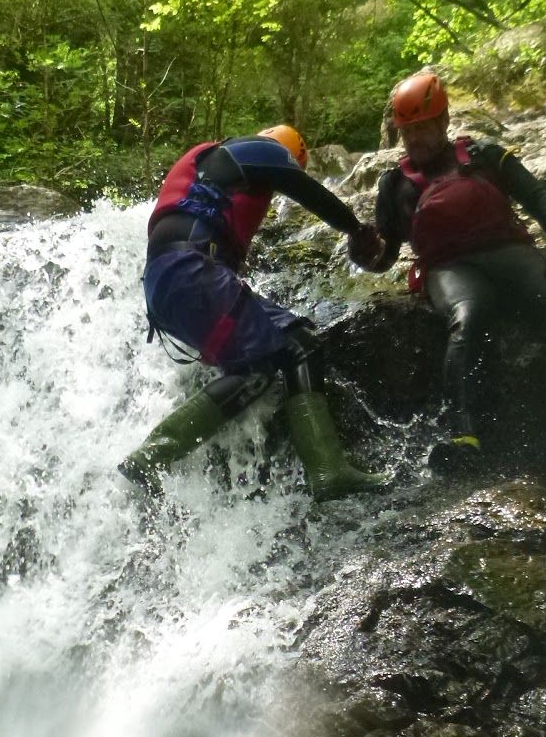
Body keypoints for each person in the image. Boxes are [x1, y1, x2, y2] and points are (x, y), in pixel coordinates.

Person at [357, 69, 546, 471]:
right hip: (449, 267)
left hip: (509, 252)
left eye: (422, 127)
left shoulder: (484, 154)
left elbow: (539, 197)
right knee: (467, 319)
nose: (414, 138)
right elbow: (385, 256)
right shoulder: (393, 185)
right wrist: (363, 253)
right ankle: (464, 435)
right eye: (407, 131)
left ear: (443, 121)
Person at [121, 124, 386, 498]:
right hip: (194, 269)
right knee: (291, 351)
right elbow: (306, 190)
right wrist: (356, 229)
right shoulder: (265, 150)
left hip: (164, 286)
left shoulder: (211, 167)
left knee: (271, 357)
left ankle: (154, 454)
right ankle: (329, 472)